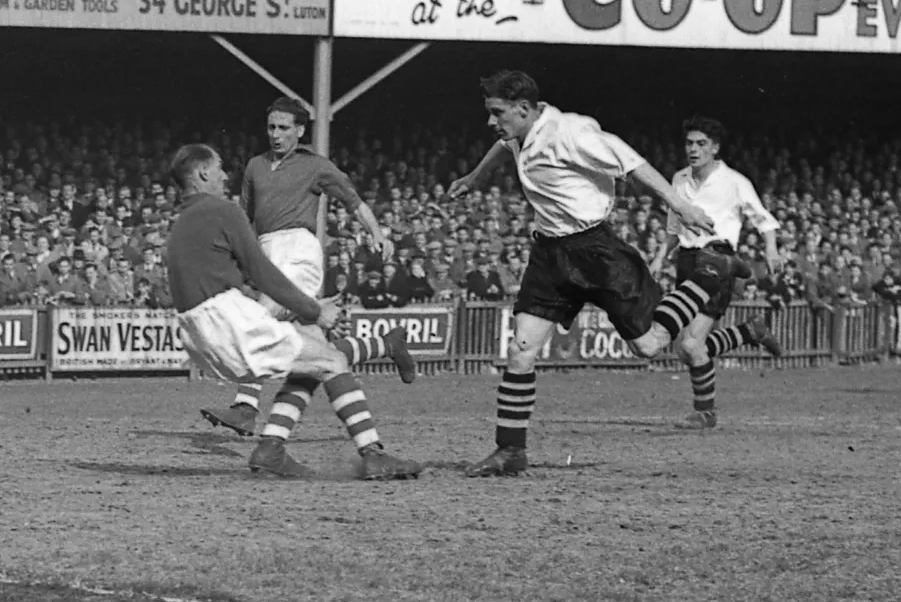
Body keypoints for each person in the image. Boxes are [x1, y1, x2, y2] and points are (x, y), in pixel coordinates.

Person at [448, 70, 719, 476]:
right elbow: (506, 146)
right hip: (549, 255)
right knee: (521, 349)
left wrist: (680, 206)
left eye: (497, 112)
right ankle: (510, 450)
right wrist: (474, 177)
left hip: (597, 251)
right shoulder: (522, 131)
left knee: (649, 346)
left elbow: (631, 162)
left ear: (524, 108)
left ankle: (711, 277)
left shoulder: (570, 132)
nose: (491, 121)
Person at [164, 142, 418, 480]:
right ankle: (373, 454)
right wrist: (314, 310)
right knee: (331, 362)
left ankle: (270, 447)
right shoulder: (223, 211)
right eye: (221, 168)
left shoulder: (180, 226)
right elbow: (263, 273)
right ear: (204, 173)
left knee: (312, 356)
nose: (226, 175)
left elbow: (230, 278)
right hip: (229, 321)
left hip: (198, 338)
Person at [201, 97, 411, 438]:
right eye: (272, 127)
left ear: (300, 131)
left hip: (298, 249)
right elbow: (247, 220)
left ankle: (245, 407)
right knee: (314, 347)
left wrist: (377, 233)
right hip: (268, 252)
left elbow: (353, 202)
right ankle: (386, 346)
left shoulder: (316, 166)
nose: (276, 134)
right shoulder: (255, 166)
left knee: (261, 320)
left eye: (284, 128)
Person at [661, 116, 787, 430]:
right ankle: (748, 332)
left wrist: (771, 249)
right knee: (684, 350)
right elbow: (673, 229)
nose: (694, 149)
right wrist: (659, 258)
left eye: (701, 143)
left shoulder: (735, 182)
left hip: (718, 261)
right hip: (688, 262)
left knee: (691, 346)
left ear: (715, 148)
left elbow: (765, 221)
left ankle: (706, 412)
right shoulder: (678, 179)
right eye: (690, 143)